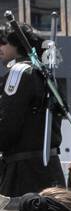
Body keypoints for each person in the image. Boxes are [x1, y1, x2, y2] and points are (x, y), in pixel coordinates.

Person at [0, 20, 64, 197]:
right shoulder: (45, 73)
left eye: (3, 41)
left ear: (17, 44)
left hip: (24, 174)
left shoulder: (19, 71)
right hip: (50, 168)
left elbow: (8, 125)